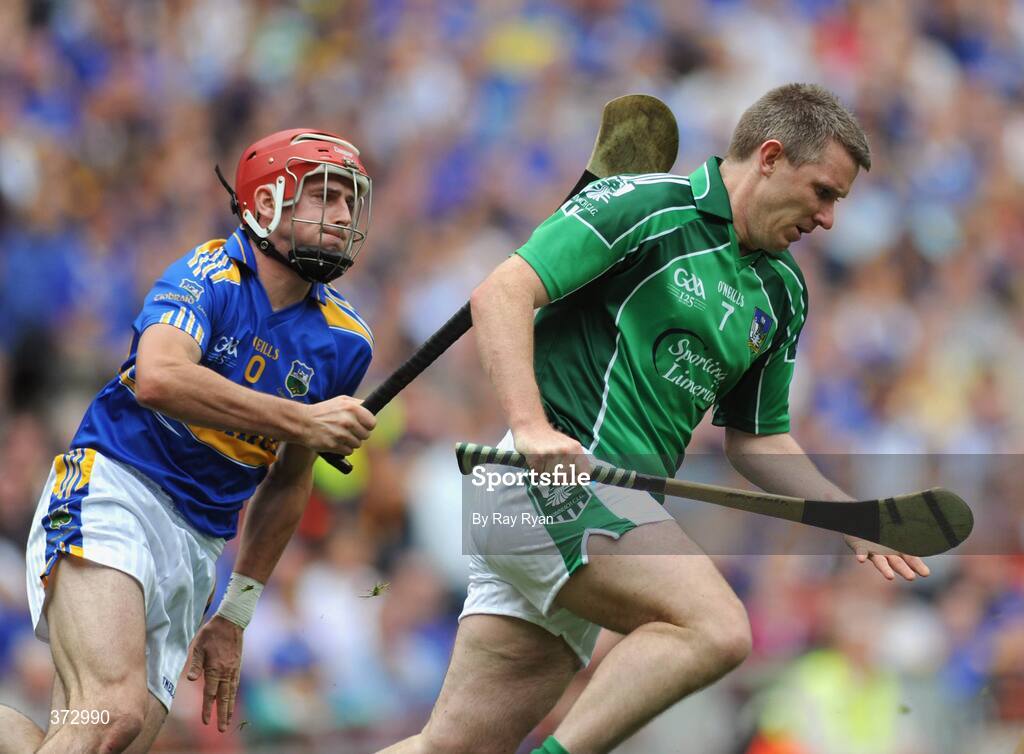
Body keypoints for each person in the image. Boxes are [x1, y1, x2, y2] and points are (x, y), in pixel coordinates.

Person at [380, 84, 932, 754]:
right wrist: (530, 428)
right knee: (718, 628)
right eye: (823, 192)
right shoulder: (647, 205)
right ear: (769, 156)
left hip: (592, 524)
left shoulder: (782, 293)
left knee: (450, 749)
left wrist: (845, 512)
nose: (828, 220)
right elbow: (503, 290)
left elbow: (757, 440)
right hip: (547, 488)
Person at [0, 128, 378, 753]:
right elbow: (160, 377)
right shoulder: (210, 272)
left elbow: (289, 479)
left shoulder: (346, 341)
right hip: (115, 490)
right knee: (111, 713)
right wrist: (302, 419)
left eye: (348, 199)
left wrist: (236, 610)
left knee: (90, 735)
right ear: (264, 206)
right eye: (322, 195)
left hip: (199, 547)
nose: (341, 214)